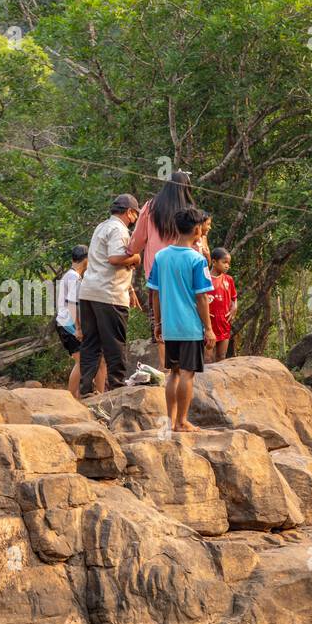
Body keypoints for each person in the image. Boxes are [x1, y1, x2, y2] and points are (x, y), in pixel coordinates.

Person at [129, 171, 210, 367]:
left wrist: (130, 253)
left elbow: (138, 239)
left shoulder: (150, 207)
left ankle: (169, 370)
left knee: (161, 321)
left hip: (159, 272)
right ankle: (186, 368)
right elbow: (198, 242)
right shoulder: (190, 210)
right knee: (189, 314)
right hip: (187, 271)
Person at [147, 207, 215, 432]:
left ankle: (171, 420)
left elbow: (155, 293)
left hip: (170, 325)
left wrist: (158, 323)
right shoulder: (197, 260)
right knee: (188, 373)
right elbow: (202, 297)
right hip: (190, 326)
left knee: (173, 373)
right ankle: (182, 421)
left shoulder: (160, 256)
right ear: (197, 230)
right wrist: (208, 328)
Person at [78, 194, 142, 396]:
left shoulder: (101, 226)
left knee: (91, 343)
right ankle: (116, 386)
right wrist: (137, 257)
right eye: (135, 213)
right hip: (109, 293)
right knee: (115, 342)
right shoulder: (119, 229)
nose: (135, 218)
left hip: (89, 292)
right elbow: (115, 258)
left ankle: (86, 388)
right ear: (129, 212)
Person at [55, 244, 105, 399]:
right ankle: (70, 398)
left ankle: (97, 394)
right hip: (68, 324)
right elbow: (71, 304)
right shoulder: (74, 277)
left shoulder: (70, 275)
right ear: (86, 260)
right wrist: (78, 328)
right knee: (82, 360)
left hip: (66, 323)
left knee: (94, 359)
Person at [207, 247, 237, 362]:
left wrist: (235, 306)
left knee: (222, 357)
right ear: (214, 262)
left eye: (228, 263)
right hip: (209, 325)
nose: (227, 265)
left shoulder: (228, 280)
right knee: (207, 358)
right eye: (224, 262)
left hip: (224, 323)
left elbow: (234, 297)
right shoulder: (205, 279)